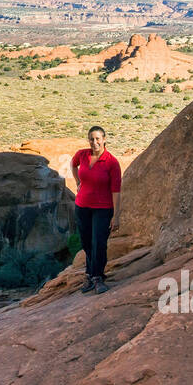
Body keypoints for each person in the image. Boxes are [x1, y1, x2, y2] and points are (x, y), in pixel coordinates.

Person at [69, 126, 121, 294]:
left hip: (103, 209)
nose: (94, 142)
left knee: (98, 243)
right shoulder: (82, 154)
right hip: (82, 206)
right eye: (91, 139)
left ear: (104, 139)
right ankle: (90, 275)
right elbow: (73, 164)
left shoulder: (111, 162)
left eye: (98, 138)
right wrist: (77, 182)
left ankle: (98, 277)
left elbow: (116, 191)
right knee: (86, 242)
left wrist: (116, 215)